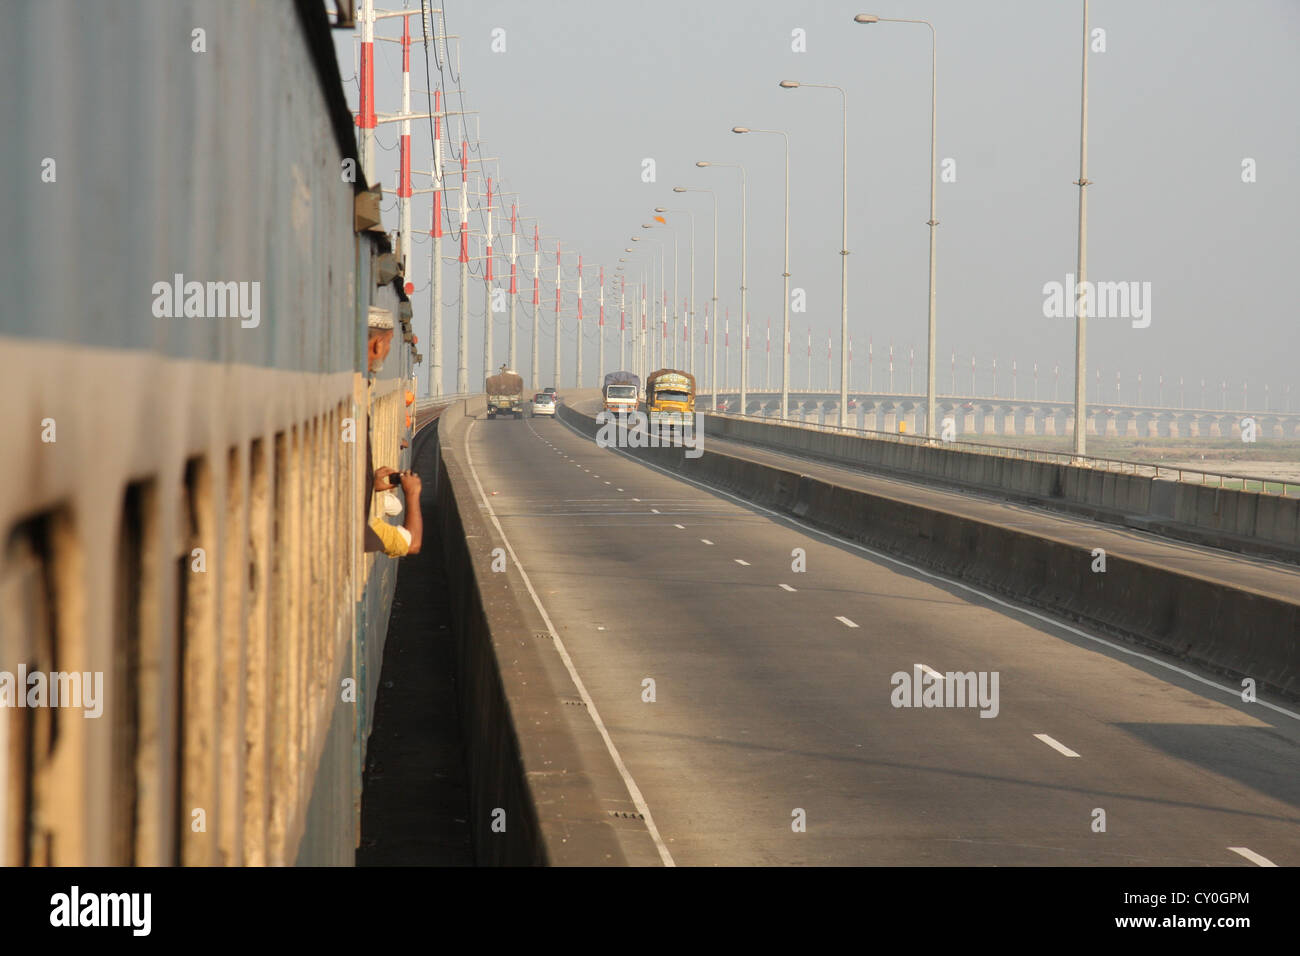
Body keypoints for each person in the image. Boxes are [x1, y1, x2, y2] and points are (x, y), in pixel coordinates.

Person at [363, 305, 422, 556]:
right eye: (388, 344)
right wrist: (412, 494)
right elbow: (412, 543)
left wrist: (368, 484)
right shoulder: (357, 523)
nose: (388, 352)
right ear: (377, 345)